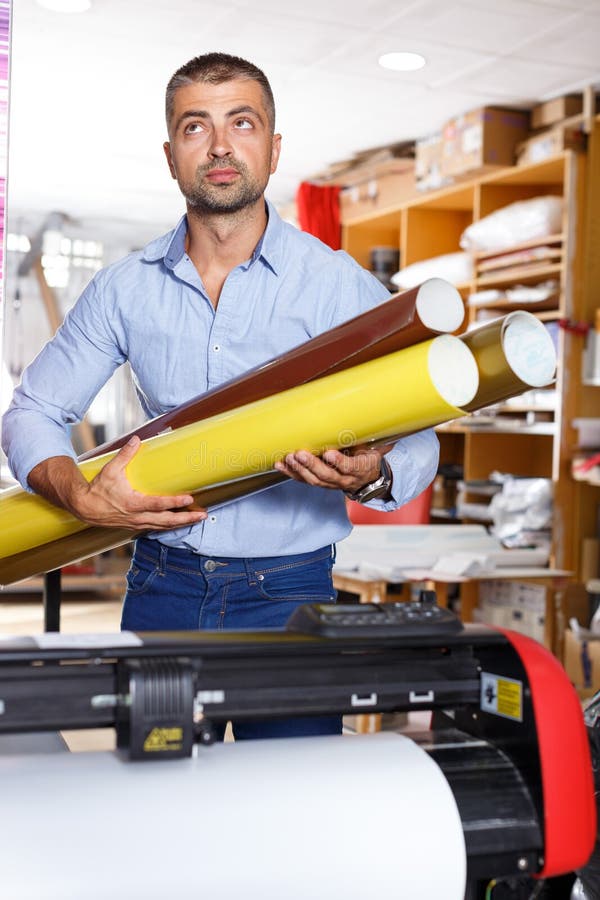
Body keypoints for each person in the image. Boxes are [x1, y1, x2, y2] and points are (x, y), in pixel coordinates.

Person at [2, 52, 439, 740]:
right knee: (158, 801)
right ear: (172, 155)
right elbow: (33, 411)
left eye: (242, 122)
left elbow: (419, 435)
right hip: (161, 585)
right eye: (195, 127)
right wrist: (75, 493)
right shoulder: (124, 289)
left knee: (287, 808)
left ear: (272, 146)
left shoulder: (334, 286)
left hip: (289, 594)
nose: (221, 146)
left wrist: (375, 470)